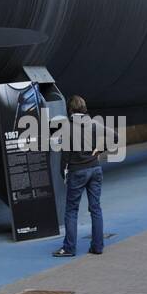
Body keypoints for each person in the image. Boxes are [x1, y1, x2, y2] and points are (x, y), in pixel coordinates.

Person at [53, 95, 105, 257]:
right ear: (84, 108)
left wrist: (64, 175)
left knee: (71, 211)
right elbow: (115, 137)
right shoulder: (94, 124)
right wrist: (99, 150)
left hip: (78, 172)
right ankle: (97, 247)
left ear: (70, 109)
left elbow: (65, 156)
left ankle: (69, 248)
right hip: (95, 169)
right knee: (95, 208)